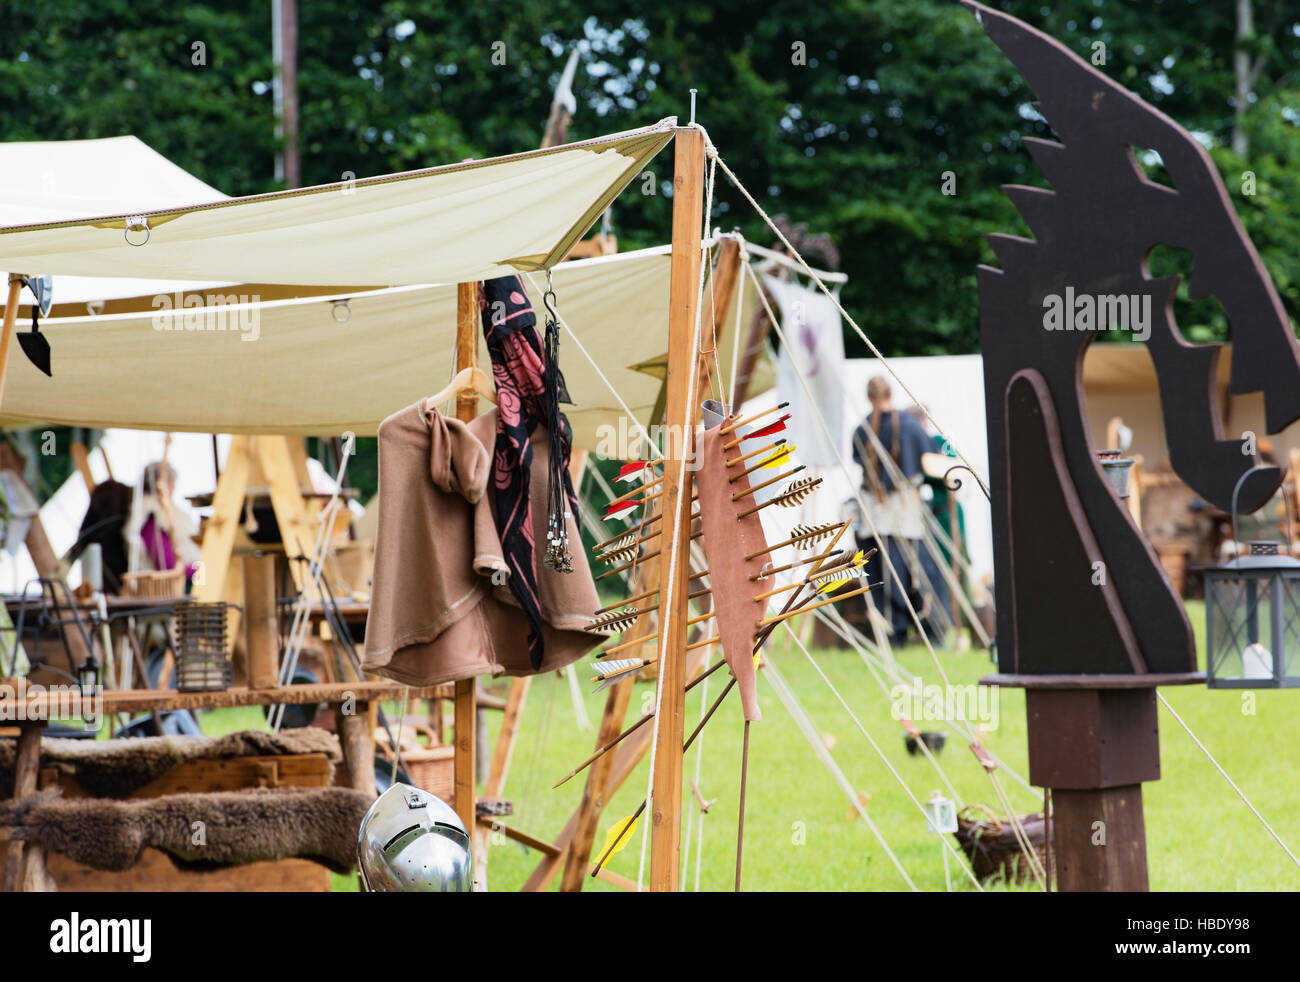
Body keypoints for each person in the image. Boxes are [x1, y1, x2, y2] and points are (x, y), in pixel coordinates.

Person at [850, 376, 947, 644]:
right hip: (904, 513)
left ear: (869, 397)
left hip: (875, 514)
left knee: (883, 572)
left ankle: (896, 632)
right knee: (912, 570)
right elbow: (931, 464)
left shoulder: (861, 429)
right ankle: (919, 629)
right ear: (891, 393)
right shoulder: (911, 426)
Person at [126, 461, 201, 583]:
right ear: (161, 485)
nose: (174, 487)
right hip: (174, 587)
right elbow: (168, 567)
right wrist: (202, 569)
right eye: (171, 482)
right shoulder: (151, 521)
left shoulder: (166, 517)